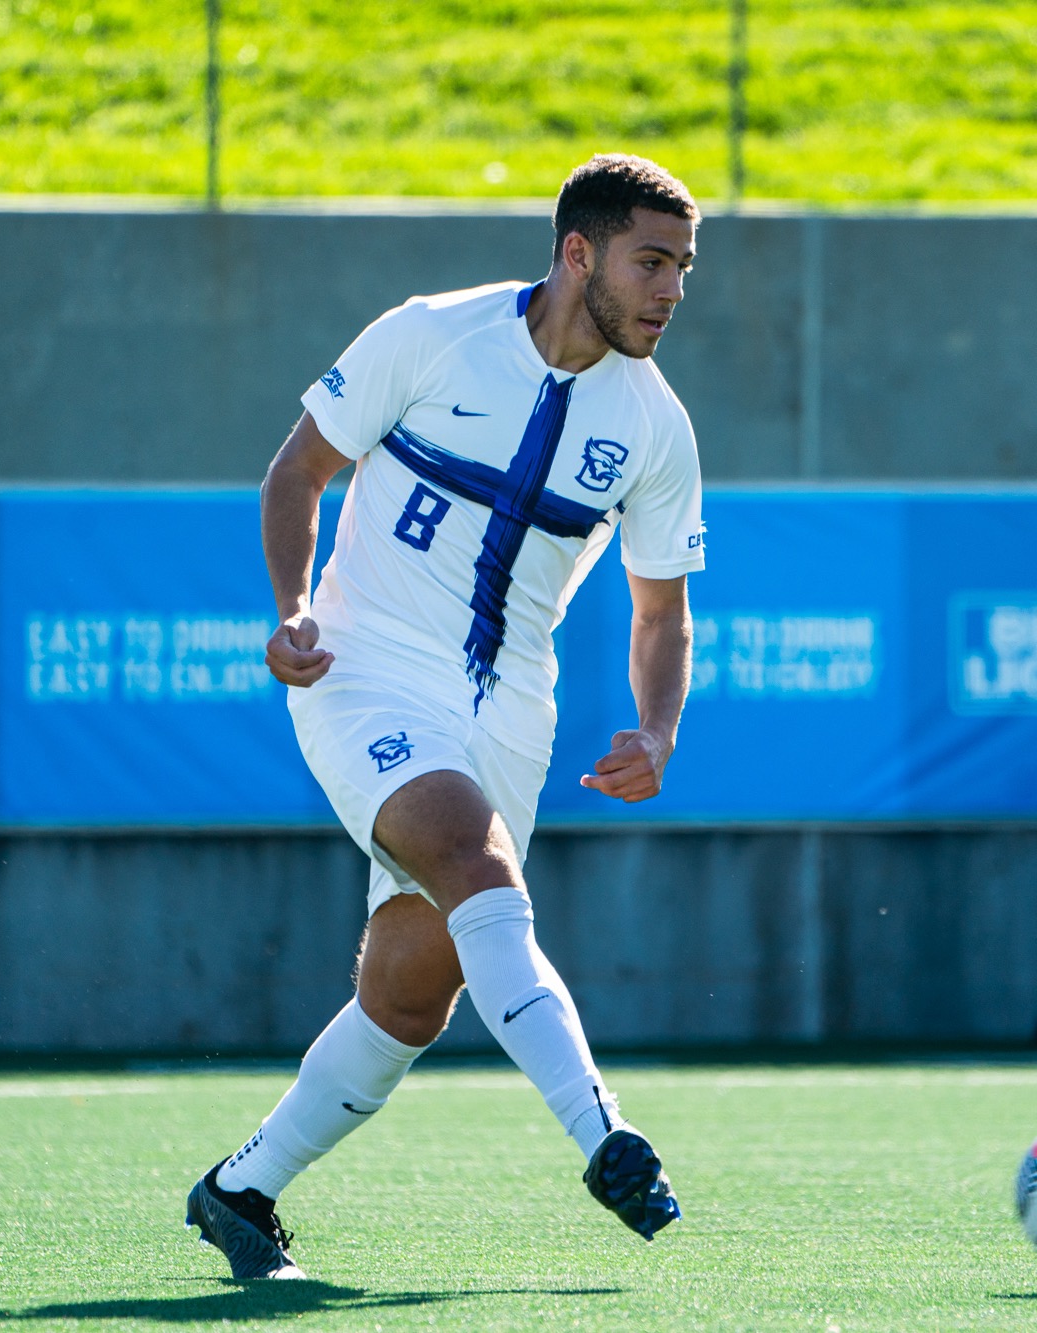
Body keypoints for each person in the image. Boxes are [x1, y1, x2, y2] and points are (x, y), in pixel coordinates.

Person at [184, 155, 707, 1280]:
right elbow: (297, 472)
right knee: (477, 867)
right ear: (579, 253)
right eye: (650, 261)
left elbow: (660, 611)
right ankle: (605, 1137)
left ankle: (241, 1187)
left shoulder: (657, 428)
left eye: (683, 267)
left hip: (512, 711)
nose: (671, 289)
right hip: (363, 669)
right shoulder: (429, 334)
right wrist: (291, 612)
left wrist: (657, 729)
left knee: (409, 997)